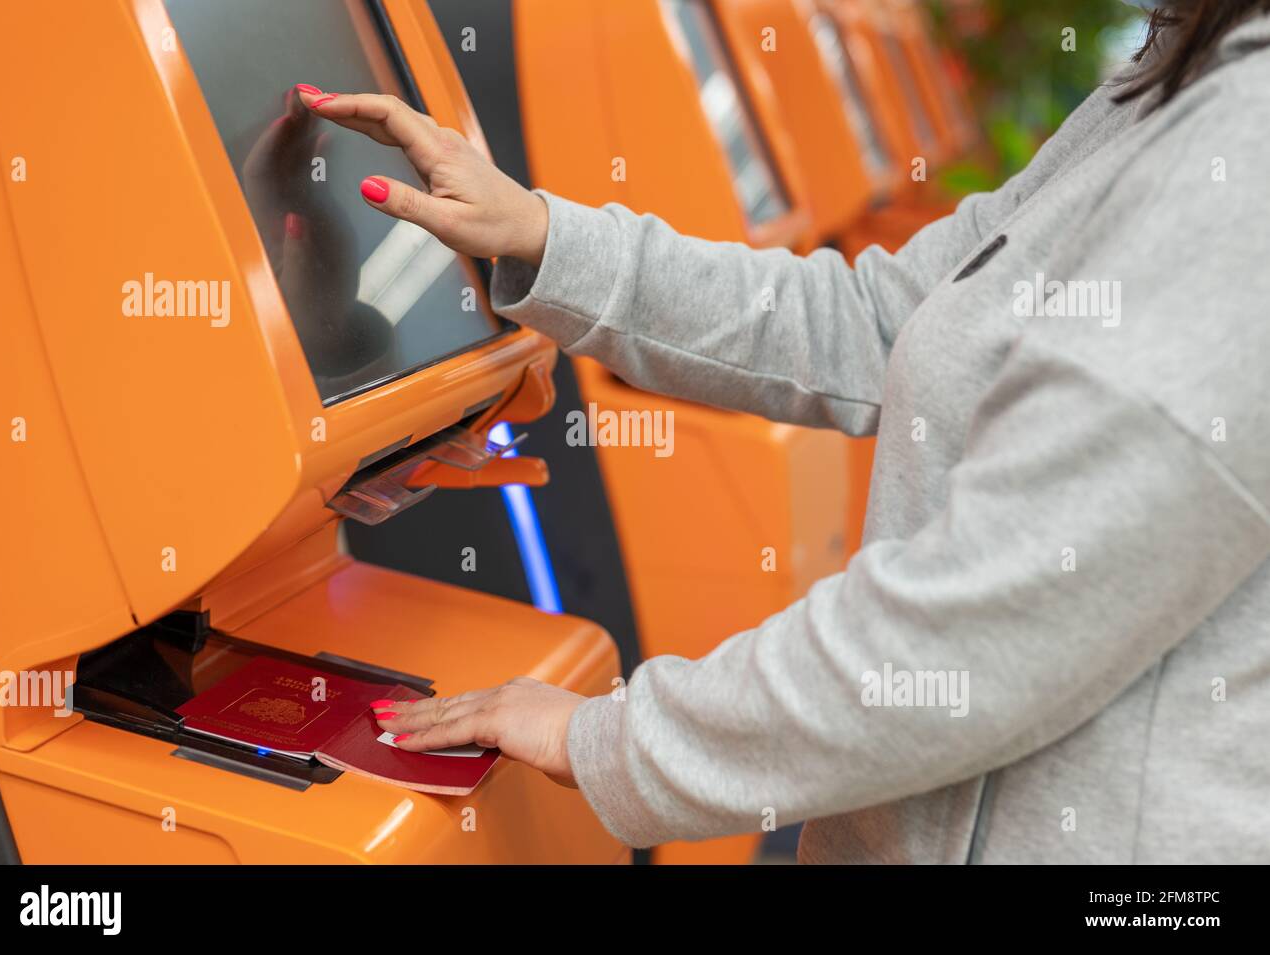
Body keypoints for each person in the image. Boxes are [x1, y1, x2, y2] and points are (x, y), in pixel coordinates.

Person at [301, 2, 1270, 863]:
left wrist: (607, 736)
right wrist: (548, 238)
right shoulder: (1170, 83)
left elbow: (975, 635)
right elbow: (882, 316)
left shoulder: (1245, 149)